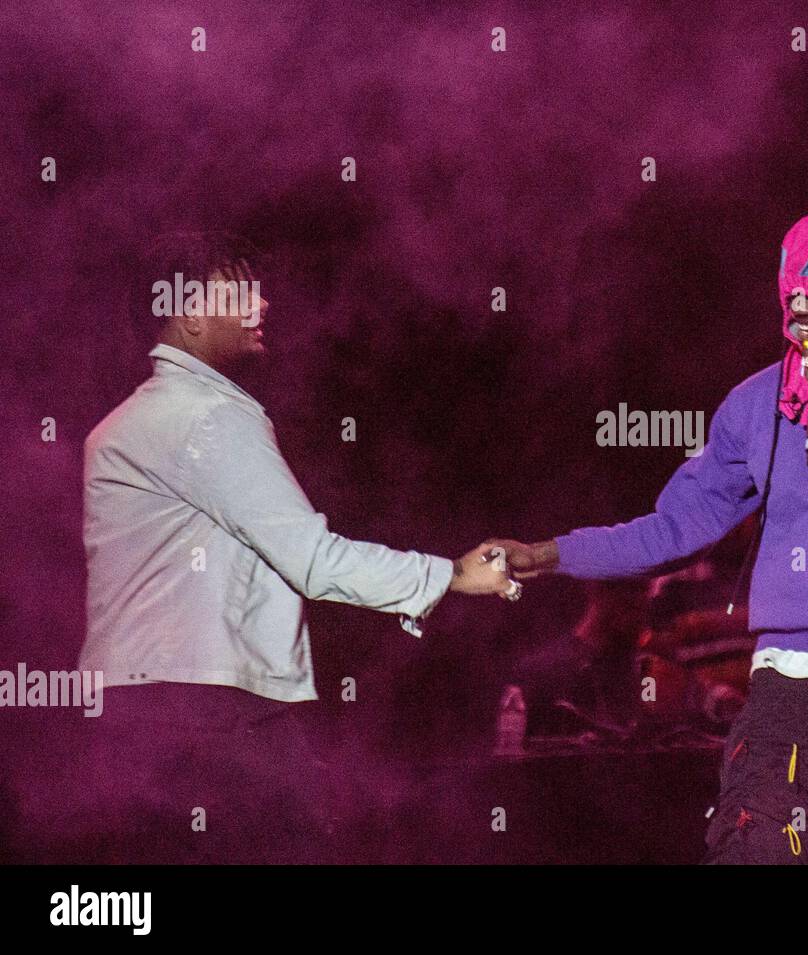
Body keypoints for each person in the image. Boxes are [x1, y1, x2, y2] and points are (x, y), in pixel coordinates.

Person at [489, 209, 808, 864]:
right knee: (751, 848)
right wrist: (549, 554)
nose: (800, 302)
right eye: (792, 288)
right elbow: (676, 526)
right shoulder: (758, 403)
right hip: (785, 680)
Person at [76, 231, 515, 860]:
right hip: (208, 712)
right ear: (192, 313)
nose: (262, 304)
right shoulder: (207, 417)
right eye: (242, 289)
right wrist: (450, 574)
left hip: (132, 713)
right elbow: (313, 560)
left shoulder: (117, 427)